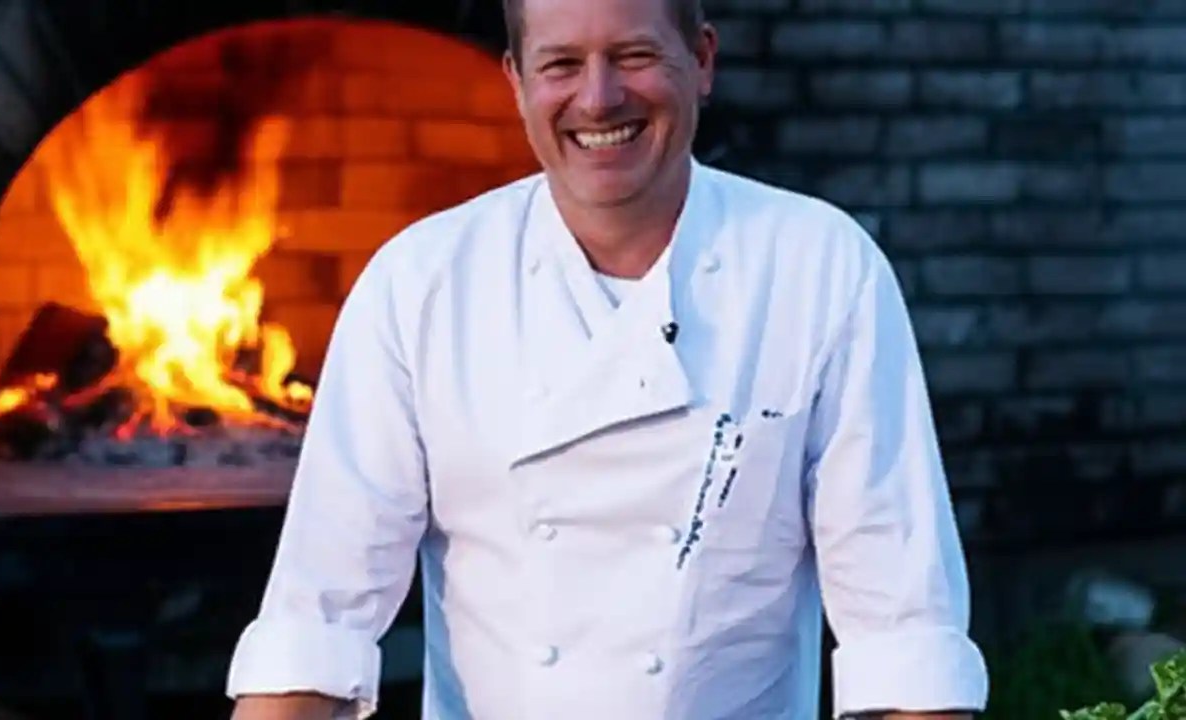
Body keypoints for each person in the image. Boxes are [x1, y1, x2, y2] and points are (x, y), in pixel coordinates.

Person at [227, 0, 990, 716]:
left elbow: (902, 631)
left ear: (702, 59)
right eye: (561, 64)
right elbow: (317, 624)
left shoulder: (819, 267)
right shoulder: (422, 281)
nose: (598, 99)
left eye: (633, 55)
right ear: (516, 81)